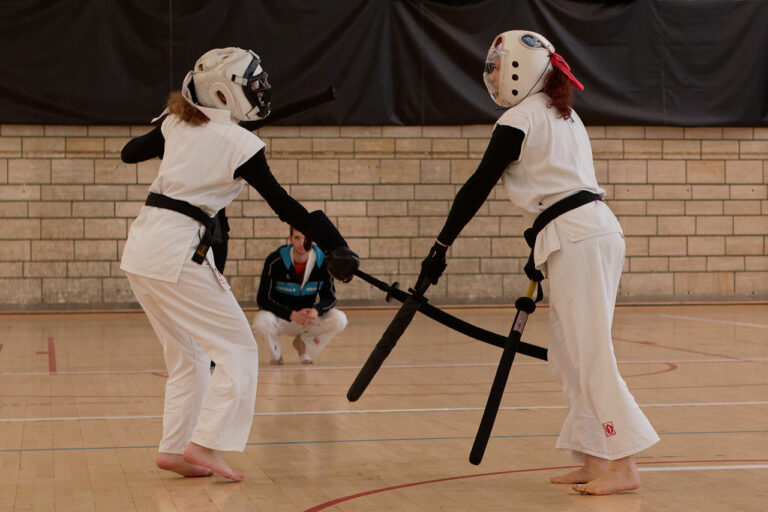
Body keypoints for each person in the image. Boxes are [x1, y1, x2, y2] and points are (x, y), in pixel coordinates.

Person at [418, 31, 659, 495]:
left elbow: (477, 186)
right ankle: (594, 457)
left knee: (590, 353)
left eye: (497, 67)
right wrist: (540, 247)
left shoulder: (520, 118)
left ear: (519, 69)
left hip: (579, 235)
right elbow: (555, 188)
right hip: (578, 233)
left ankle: (624, 463)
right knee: (568, 357)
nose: (492, 76)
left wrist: (441, 245)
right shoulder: (562, 114)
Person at [119, 47, 358, 481]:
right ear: (223, 94)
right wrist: (335, 243)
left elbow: (130, 152)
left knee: (189, 357)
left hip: (142, 250)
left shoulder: (178, 123)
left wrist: (171, 123)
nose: (261, 91)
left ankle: (174, 449)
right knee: (239, 350)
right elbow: (285, 206)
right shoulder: (240, 143)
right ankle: (204, 444)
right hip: (177, 252)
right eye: (253, 86)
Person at [252, 226, 348, 365]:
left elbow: (330, 298)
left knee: (340, 319)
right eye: (297, 238)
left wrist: (316, 310)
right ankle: (276, 356)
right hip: (282, 318)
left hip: (308, 320)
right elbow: (263, 299)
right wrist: (291, 314)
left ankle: (302, 342)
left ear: (313, 240)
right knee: (261, 321)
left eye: (306, 239)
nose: (302, 243)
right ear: (290, 239)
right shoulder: (275, 260)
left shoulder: (324, 262)